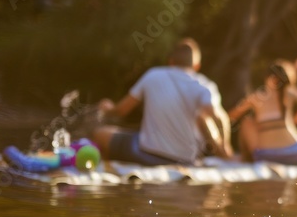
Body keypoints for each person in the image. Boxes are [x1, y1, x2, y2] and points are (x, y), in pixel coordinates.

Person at [93, 38, 232, 165]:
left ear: (171, 61)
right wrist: (225, 145)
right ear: (196, 66)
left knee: (100, 134)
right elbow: (219, 117)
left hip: (145, 154)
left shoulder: (153, 75)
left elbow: (121, 111)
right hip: (185, 160)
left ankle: (111, 174)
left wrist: (107, 108)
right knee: (202, 117)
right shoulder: (205, 86)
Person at [228, 58, 297, 171]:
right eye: (272, 76)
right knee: (247, 122)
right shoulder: (268, 96)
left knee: (247, 121)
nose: (274, 80)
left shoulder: (279, 94)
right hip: (279, 153)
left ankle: (241, 157)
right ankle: (242, 157)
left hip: (280, 153)